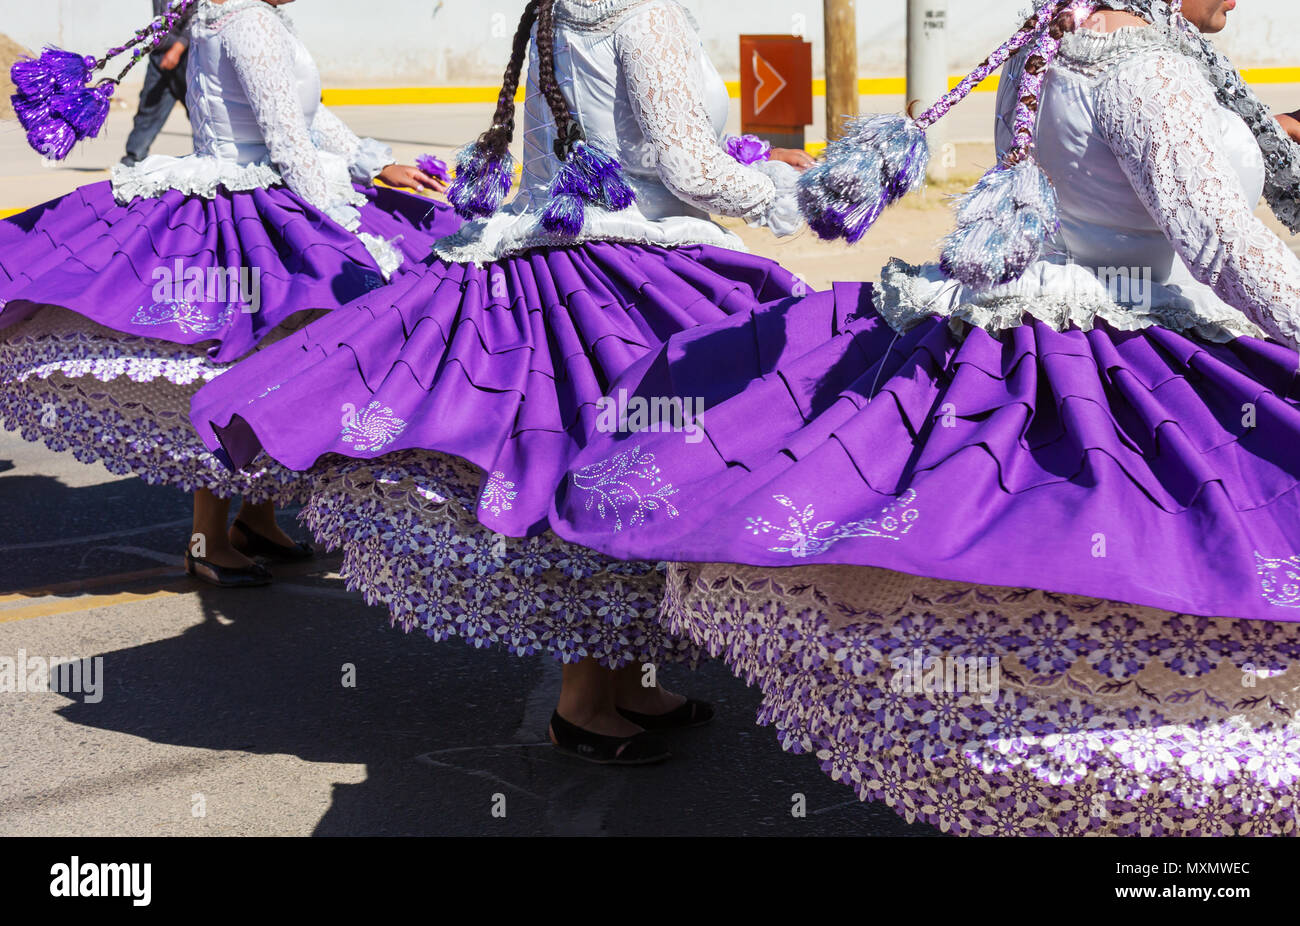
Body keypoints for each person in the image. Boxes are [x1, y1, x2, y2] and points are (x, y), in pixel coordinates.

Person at [550, 0, 1300, 833]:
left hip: (1065, 324)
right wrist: (785, 197)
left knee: (1049, 587)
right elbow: (1225, 245)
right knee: (1170, 574)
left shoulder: (1062, 33)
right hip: (1128, 337)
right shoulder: (1138, 63)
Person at [190, 0, 810, 762]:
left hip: (570, 258)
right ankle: (585, 701)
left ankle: (630, 681)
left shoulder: (561, 9)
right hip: (630, 271)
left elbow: (629, 148)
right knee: (624, 471)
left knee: (611, 464)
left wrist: (747, 165)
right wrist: (794, 192)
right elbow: (684, 167)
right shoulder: (638, 14)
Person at [1, 0, 455, 588]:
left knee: (274, 355)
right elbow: (290, 145)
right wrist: (352, 226)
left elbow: (305, 118)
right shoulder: (248, 21)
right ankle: (208, 537)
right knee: (243, 362)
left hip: (238, 198)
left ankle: (256, 517)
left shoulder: (225, 14)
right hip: (253, 208)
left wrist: (378, 161)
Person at [121, 0, 194, 167]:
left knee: (198, 111)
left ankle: (208, 159)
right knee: (148, 108)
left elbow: (197, 17)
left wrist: (178, 48)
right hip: (160, 53)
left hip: (186, 57)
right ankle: (133, 159)